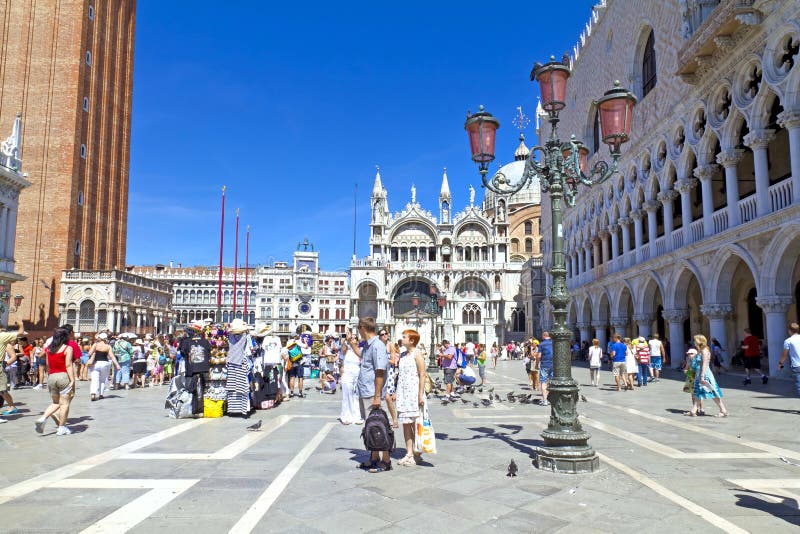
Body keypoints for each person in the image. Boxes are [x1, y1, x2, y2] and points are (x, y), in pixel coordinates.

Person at [354, 317, 391, 473]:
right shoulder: (368, 346)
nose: (358, 332)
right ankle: (374, 457)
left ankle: (386, 460)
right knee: (371, 426)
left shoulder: (377, 346)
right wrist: (351, 343)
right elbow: (360, 355)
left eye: (358, 328)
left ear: (363, 327)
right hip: (366, 391)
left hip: (372, 392)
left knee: (380, 425)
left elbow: (380, 371)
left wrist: (377, 395)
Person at [34, 328, 76, 435]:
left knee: (56, 402)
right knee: (64, 404)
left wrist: (49, 377)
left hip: (52, 376)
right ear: (65, 337)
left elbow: (48, 365)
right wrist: (72, 380)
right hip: (63, 376)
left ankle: (43, 418)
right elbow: (68, 365)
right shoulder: (67, 348)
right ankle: (61, 428)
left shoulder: (48, 349)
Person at [395, 329, 426, 467]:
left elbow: (422, 374)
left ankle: (416, 453)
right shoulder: (402, 355)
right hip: (403, 394)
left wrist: (420, 394)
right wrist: (396, 391)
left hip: (413, 394)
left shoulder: (417, 354)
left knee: (415, 424)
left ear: (412, 340)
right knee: (406, 424)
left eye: (404, 337)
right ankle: (408, 453)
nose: (402, 339)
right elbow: (400, 375)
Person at [687, 334, 728, 417]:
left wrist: (702, 376)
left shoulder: (704, 350)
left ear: (699, 341)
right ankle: (694, 410)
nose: (694, 342)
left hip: (705, 374)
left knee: (712, 391)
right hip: (699, 373)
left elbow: (705, 363)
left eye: (695, 340)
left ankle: (723, 410)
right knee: (698, 392)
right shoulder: (700, 350)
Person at [0, 323, 24, 418]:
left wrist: (5, 363)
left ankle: (11, 406)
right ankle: (11, 406)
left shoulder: (6, 343)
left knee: (2, 391)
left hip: (3, 367)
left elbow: (13, 357)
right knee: (2, 391)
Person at [87, 333, 120, 401]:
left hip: (96, 363)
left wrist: (94, 353)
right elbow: (112, 356)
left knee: (94, 379)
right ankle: (101, 394)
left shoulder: (96, 345)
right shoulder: (108, 346)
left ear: (100, 338)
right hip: (105, 363)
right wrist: (117, 365)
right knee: (103, 379)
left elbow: (89, 353)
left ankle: (93, 393)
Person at [340, 331, 363, 425]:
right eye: (351, 338)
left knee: (356, 396)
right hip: (347, 375)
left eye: (354, 338)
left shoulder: (360, 350)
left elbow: (361, 356)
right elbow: (343, 348)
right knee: (347, 395)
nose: (352, 339)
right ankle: (346, 416)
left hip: (357, 375)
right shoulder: (347, 350)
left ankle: (356, 416)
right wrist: (344, 340)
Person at [381, 332, 399, 429]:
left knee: (388, 398)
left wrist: (383, 358)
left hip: (388, 373)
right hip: (379, 373)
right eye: (382, 334)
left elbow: (393, 361)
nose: (385, 335)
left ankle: (395, 419)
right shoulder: (378, 345)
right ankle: (380, 419)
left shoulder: (390, 345)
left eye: (386, 334)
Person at [778, 322, 800, 398]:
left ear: (790, 330)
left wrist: (780, 364)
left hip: (796, 366)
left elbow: (784, 354)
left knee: (799, 387)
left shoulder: (788, 341)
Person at [538, 331, 553, 406]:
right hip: (553, 365)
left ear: (544, 336)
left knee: (543, 382)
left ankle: (545, 400)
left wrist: (537, 363)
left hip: (544, 365)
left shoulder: (542, 344)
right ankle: (550, 399)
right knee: (551, 382)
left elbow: (539, 356)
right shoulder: (554, 343)